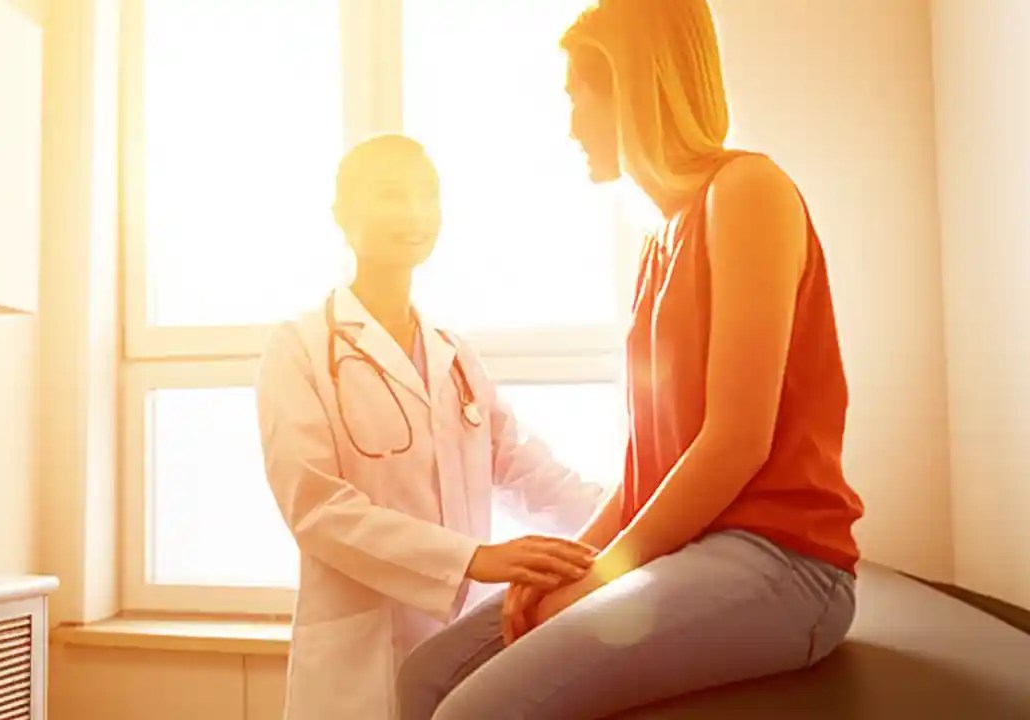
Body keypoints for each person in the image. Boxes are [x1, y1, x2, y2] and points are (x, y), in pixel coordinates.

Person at [395, 2, 867, 718]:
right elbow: (649, 466)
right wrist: (572, 560)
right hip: (695, 553)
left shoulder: (748, 191)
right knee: (425, 677)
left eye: (576, 99)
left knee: (472, 712)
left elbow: (737, 441)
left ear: (633, 89)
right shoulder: (658, 245)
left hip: (785, 564)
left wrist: (606, 574)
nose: (570, 127)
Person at [254, 133, 607, 720]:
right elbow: (317, 509)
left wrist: (632, 519)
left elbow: (525, 466)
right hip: (357, 660)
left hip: (462, 644)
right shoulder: (300, 347)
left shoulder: (453, 353)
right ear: (343, 215)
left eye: (428, 195)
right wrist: (472, 558)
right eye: (392, 195)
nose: (415, 213)